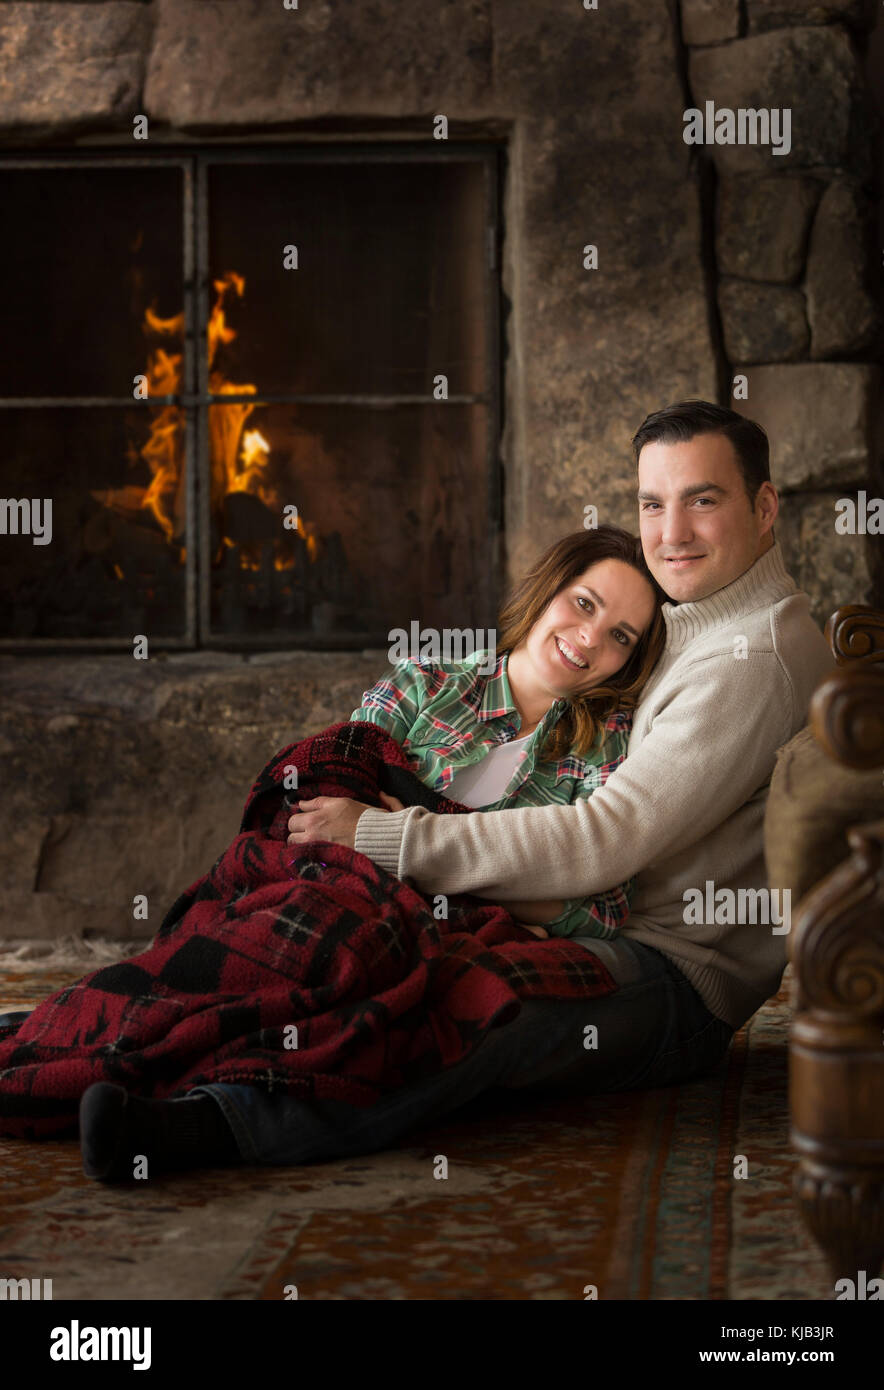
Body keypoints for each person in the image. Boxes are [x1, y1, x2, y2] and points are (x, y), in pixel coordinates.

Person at [79, 398, 835, 1176]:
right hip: (582, 918)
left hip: (672, 972)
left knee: (462, 1003)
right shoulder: (693, 618)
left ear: (765, 505)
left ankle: (208, 1126)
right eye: (652, 503)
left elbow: (606, 838)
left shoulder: (749, 663)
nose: (670, 533)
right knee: (334, 956)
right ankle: (114, 1042)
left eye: (702, 500)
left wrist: (385, 837)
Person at [348, 523, 666, 941]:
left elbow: (601, 912)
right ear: (548, 589)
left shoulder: (606, 749)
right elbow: (335, 795)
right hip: (354, 903)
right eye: (585, 603)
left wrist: (407, 849)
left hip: (452, 944)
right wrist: (511, 884)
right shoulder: (425, 681)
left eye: (620, 636)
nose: (590, 638)